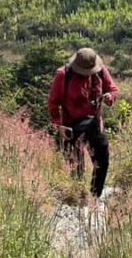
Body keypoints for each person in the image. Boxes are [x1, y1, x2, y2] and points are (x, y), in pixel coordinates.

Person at [47, 47, 119, 198]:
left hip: (94, 123)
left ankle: (95, 197)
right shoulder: (63, 75)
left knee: (102, 161)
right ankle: (77, 200)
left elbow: (113, 89)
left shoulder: (100, 71)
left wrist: (108, 97)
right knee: (76, 168)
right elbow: (53, 103)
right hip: (70, 126)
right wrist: (59, 126)